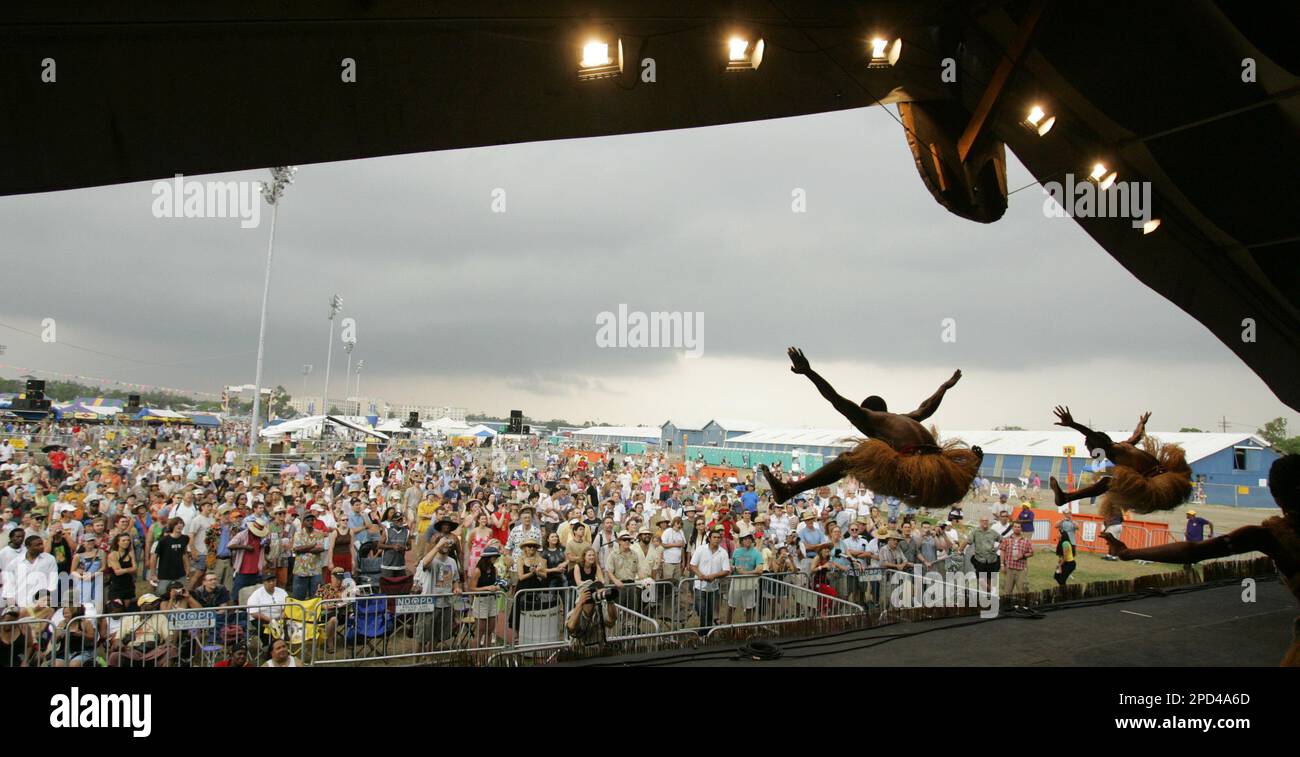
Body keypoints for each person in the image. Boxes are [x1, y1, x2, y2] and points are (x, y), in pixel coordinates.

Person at [1103, 454, 1300, 666]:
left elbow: (1192, 552)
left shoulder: (1270, 535)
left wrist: (1129, 553)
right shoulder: (1272, 534)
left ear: (1276, 494)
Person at [759, 348, 981, 509]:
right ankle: (971, 467)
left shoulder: (867, 418)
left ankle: (790, 490)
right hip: (941, 472)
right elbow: (927, 407)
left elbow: (835, 399)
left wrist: (809, 372)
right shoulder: (905, 419)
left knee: (849, 459)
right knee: (953, 490)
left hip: (917, 469)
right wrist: (945, 386)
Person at [1049, 408, 1192, 521]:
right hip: (1161, 484)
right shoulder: (1126, 445)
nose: (1091, 454)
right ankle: (1066, 498)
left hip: (1159, 487)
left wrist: (1073, 424)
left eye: (1090, 449)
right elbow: (1137, 434)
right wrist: (1142, 423)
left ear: (1099, 445)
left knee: (1109, 480)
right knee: (1110, 479)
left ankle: (1066, 498)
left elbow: (1092, 435)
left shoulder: (1112, 451)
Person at [689, 528, 730, 631]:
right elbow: (692, 565)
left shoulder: (723, 552)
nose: (716, 539)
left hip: (713, 588)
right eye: (714, 537)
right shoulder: (701, 549)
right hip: (699, 586)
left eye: (718, 537)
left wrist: (713, 576)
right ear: (709, 538)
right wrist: (700, 575)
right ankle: (704, 632)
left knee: (709, 612)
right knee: (702, 610)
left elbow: (726, 570)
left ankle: (705, 633)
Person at [566, 579, 617, 648]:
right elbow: (571, 628)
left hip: (598, 652)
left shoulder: (600, 609)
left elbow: (611, 621)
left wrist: (610, 600)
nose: (596, 593)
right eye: (593, 591)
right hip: (579, 653)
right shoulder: (574, 613)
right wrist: (580, 603)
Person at [727, 532, 764, 624]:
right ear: (741, 541)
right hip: (736, 582)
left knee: (749, 608)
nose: (747, 540)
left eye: (749, 538)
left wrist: (745, 572)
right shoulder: (737, 551)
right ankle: (727, 627)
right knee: (731, 606)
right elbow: (731, 564)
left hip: (749, 582)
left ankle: (748, 627)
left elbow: (759, 570)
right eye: (745, 539)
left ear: (752, 540)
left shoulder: (756, 553)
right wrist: (732, 568)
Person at [998, 521, 1034, 599]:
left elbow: (1031, 553)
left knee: (1022, 591)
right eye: (1015, 527)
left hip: (1021, 569)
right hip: (1009, 569)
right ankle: (1007, 607)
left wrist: (1023, 555)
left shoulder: (1026, 540)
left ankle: (1022, 607)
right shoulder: (1007, 539)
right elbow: (1002, 551)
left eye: (1018, 527)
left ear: (1021, 528)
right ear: (1013, 528)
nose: (1017, 528)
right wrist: (1002, 564)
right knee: (1007, 591)